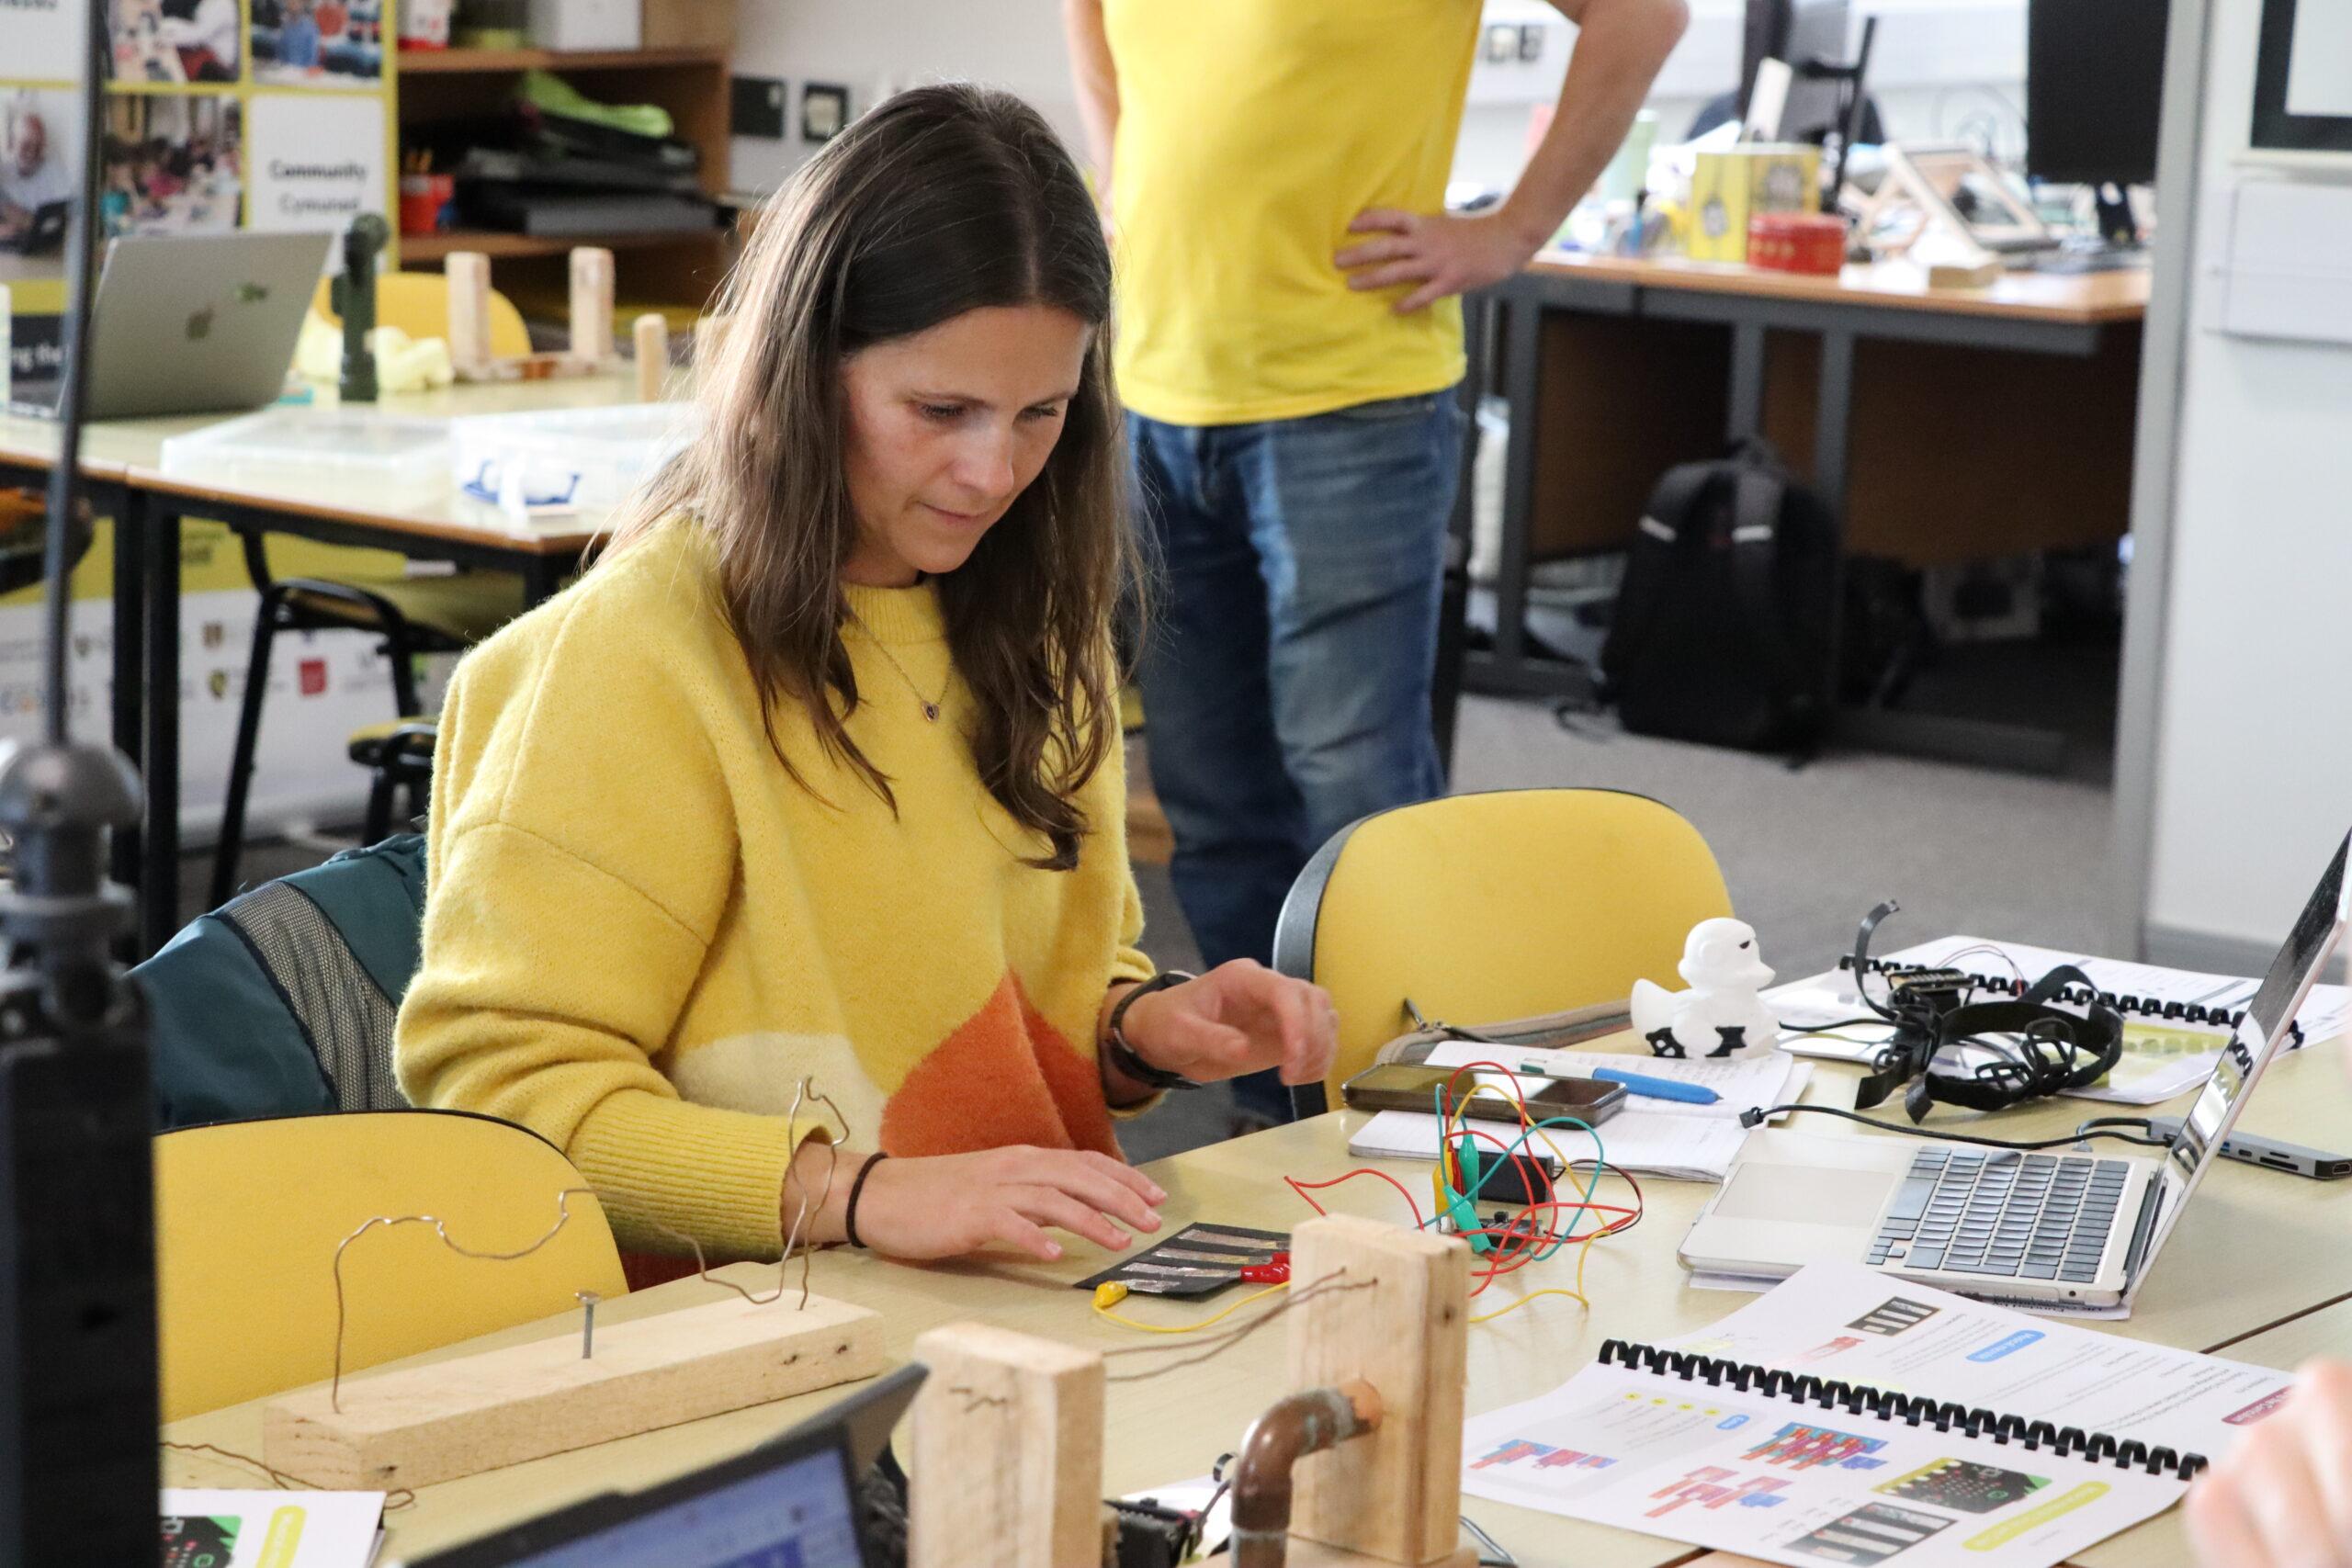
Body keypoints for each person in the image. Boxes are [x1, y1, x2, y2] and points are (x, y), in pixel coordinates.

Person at [395, 85, 1339, 1272]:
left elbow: (1012, 991)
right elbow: (498, 1097)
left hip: (1014, 1301)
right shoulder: (638, 656)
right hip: (749, 1337)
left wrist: (1137, 1026)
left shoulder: (1036, 625)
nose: (994, 470)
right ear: (804, 370)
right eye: (938, 409)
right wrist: (860, 1190)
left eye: (1040, 412)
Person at [1063, 0, 1689, 1126]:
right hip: (1154, 389)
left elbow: (1644, 15)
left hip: (1351, 406)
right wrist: (1119, 177)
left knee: (1351, 790)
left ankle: (1396, 1114)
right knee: (1210, 799)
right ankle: (1273, 1110)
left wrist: (1509, 229)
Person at [0, 109, 75, 245]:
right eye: (26, 145)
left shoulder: (54, 168)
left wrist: (26, 221)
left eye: (39, 145)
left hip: (43, 246)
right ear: (12, 143)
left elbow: (67, 216)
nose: (32, 152)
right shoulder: (3, 170)